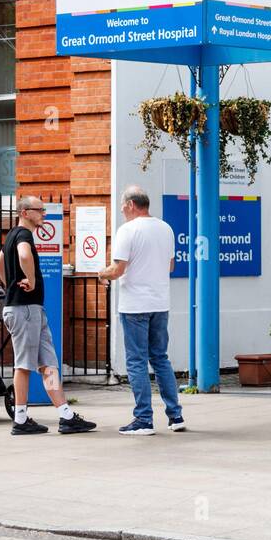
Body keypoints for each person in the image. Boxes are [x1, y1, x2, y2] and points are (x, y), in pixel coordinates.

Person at [0, 194, 97, 436]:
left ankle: (66, 416)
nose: (44, 214)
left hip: (31, 309)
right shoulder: (22, 235)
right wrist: (28, 280)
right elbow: (23, 255)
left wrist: (9, 284)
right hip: (25, 310)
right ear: (24, 213)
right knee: (23, 365)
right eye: (39, 210)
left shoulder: (11, 235)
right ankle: (20, 419)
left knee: (48, 363)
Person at [99, 185, 184, 436]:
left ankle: (143, 419)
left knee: (136, 361)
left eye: (123, 206)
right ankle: (175, 415)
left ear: (131, 205)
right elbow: (170, 266)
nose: (122, 211)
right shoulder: (165, 228)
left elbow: (117, 270)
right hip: (160, 303)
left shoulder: (128, 230)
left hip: (135, 305)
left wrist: (101, 273)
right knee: (160, 358)